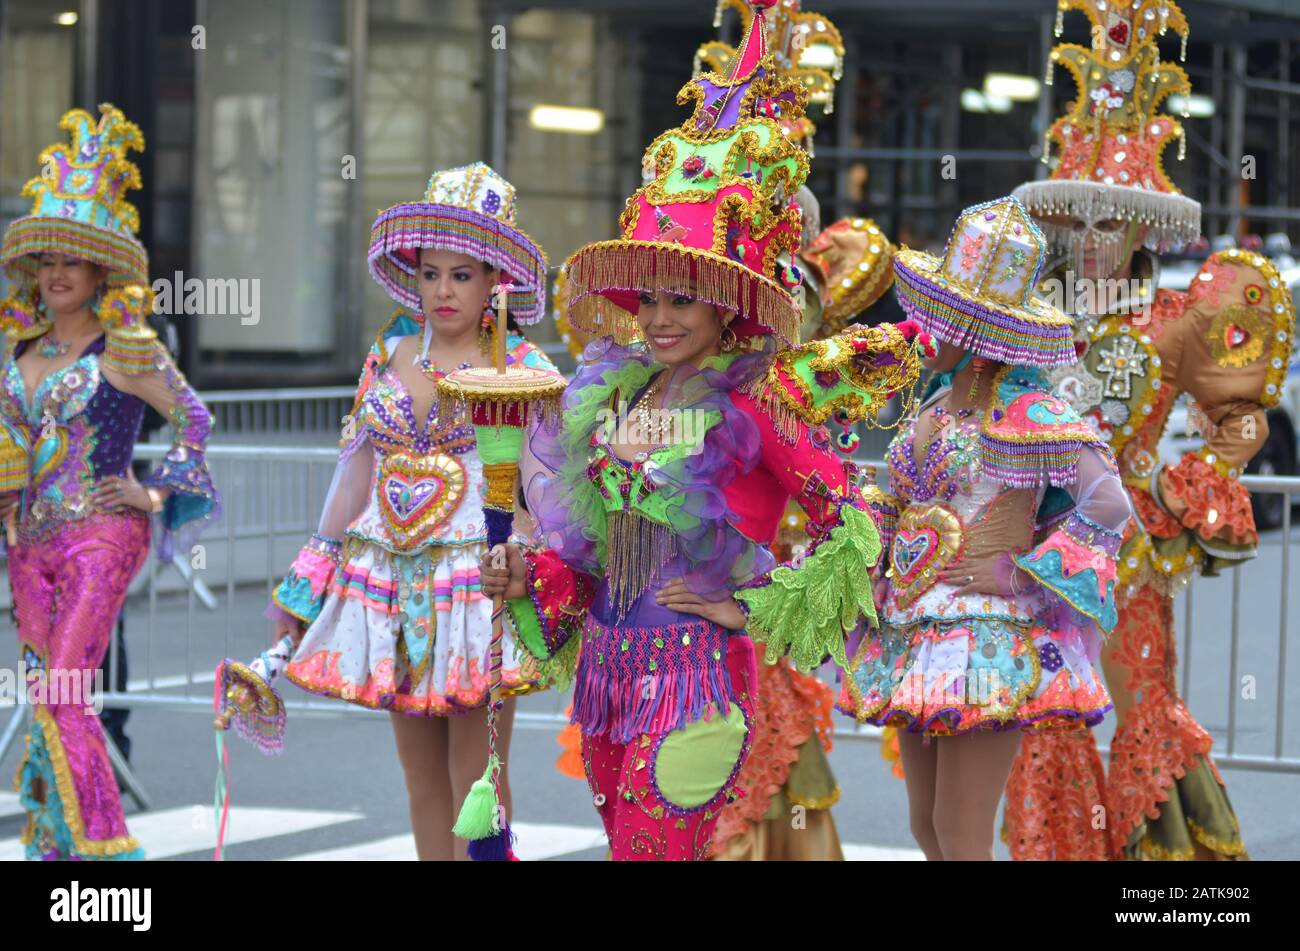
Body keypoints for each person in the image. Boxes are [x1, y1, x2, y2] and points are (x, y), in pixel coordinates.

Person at [479, 0, 924, 861]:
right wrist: (523, 572)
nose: (657, 316)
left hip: (696, 680)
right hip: (606, 681)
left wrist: (747, 606)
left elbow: (855, 527)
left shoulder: (761, 401)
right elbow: (589, 555)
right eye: (648, 296)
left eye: (680, 297)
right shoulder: (616, 394)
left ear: (726, 303)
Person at [1003, 0, 1295, 860]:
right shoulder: (1029, 321)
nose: (1091, 242)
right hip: (1033, 546)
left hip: (1128, 553)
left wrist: (1192, 480)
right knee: (1047, 718)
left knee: (1142, 710)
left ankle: (1169, 885)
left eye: (1110, 221)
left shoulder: (1173, 321)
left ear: (1142, 224)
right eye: (1078, 222)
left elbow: (1243, 419)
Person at [267, 163, 559, 860]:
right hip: (389, 579)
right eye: (430, 273)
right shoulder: (390, 351)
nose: (443, 290)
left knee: (477, 769)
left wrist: (540, 558)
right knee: (419, 772)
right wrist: (306, 577)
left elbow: (546, 481)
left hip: (477, 583)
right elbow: (354, 469)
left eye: (462, 274)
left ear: (496, 281)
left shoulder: (521, 361)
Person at [838, 195, 1132, 861]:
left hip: (986, 640)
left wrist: (1021, 570)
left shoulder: (1032, 411)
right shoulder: (938, 406)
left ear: (973, 329)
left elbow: (1109, 502)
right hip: (914, 626)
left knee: (961, 829)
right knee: (926, 827)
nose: (919, 327)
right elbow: (894, 496)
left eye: (935, 315)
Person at [0, 104, 220, 860]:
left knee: (63, 692)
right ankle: (53, 848)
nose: (56, 273)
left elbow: (196, 419)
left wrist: (154, 494)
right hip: (27, 542)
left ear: (100, 270)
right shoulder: (20, 347)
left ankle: (106, 858)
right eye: (47, 260)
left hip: (100, 534)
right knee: (47, 696)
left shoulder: (125, 348)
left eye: (73, 260)